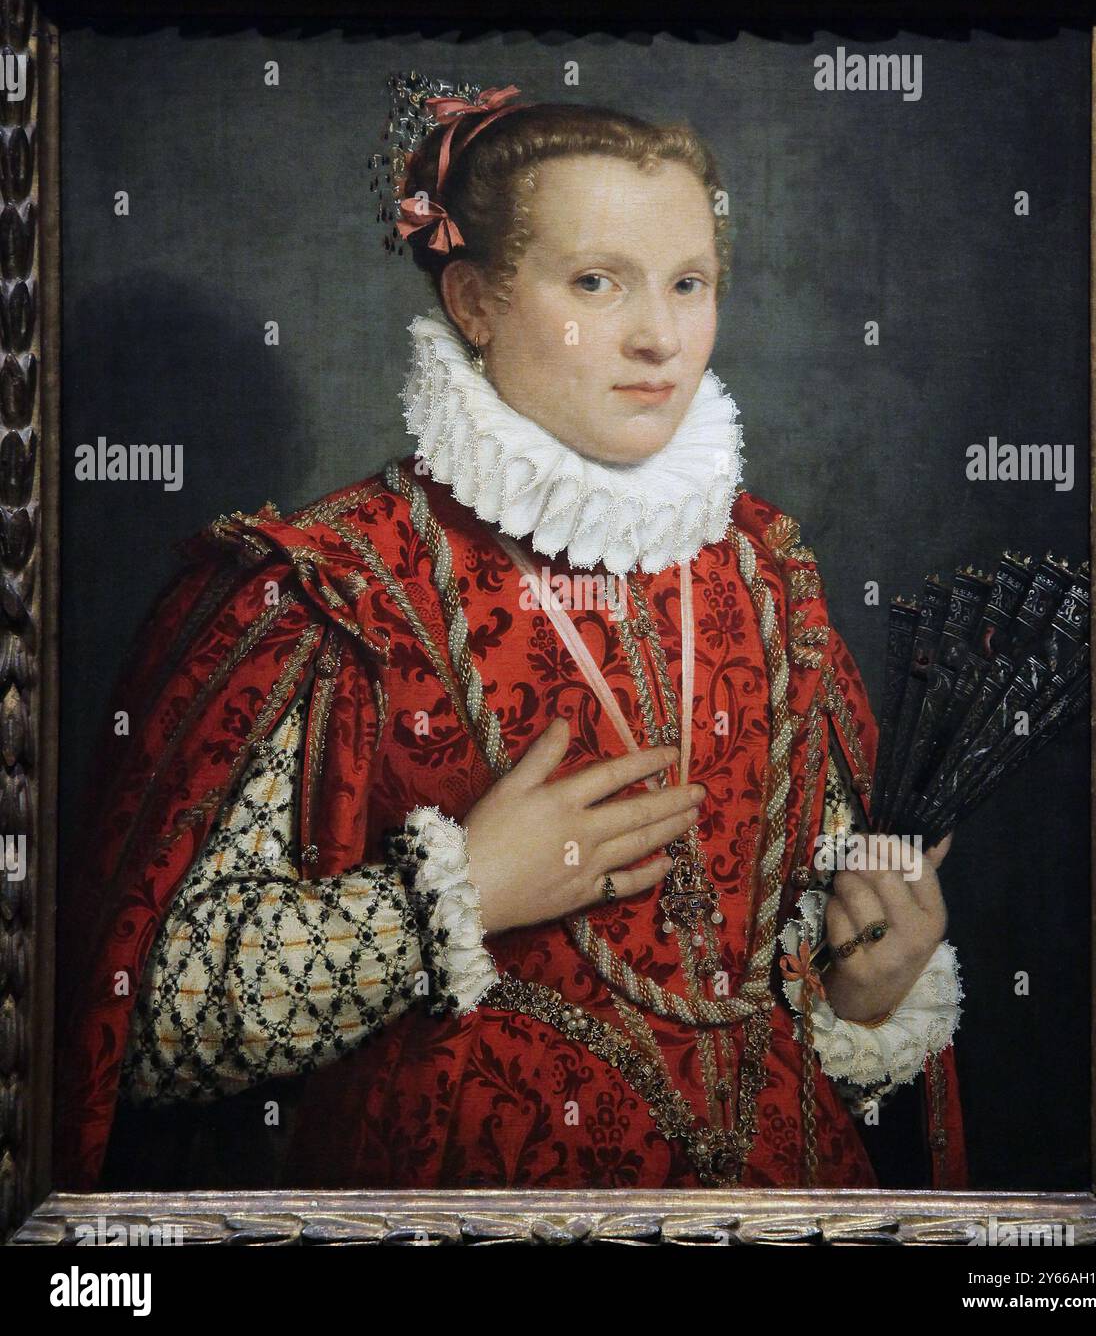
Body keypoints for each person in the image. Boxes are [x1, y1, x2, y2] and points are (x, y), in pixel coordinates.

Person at [56, 73, 966, 1192]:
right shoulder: (326, 585)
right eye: (597, 281)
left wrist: (863, 982)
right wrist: (457, 897)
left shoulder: (770, 571)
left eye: (689, 283)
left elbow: (796, 956)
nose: (657, 335)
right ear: (475, 301)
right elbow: (137, 1020)